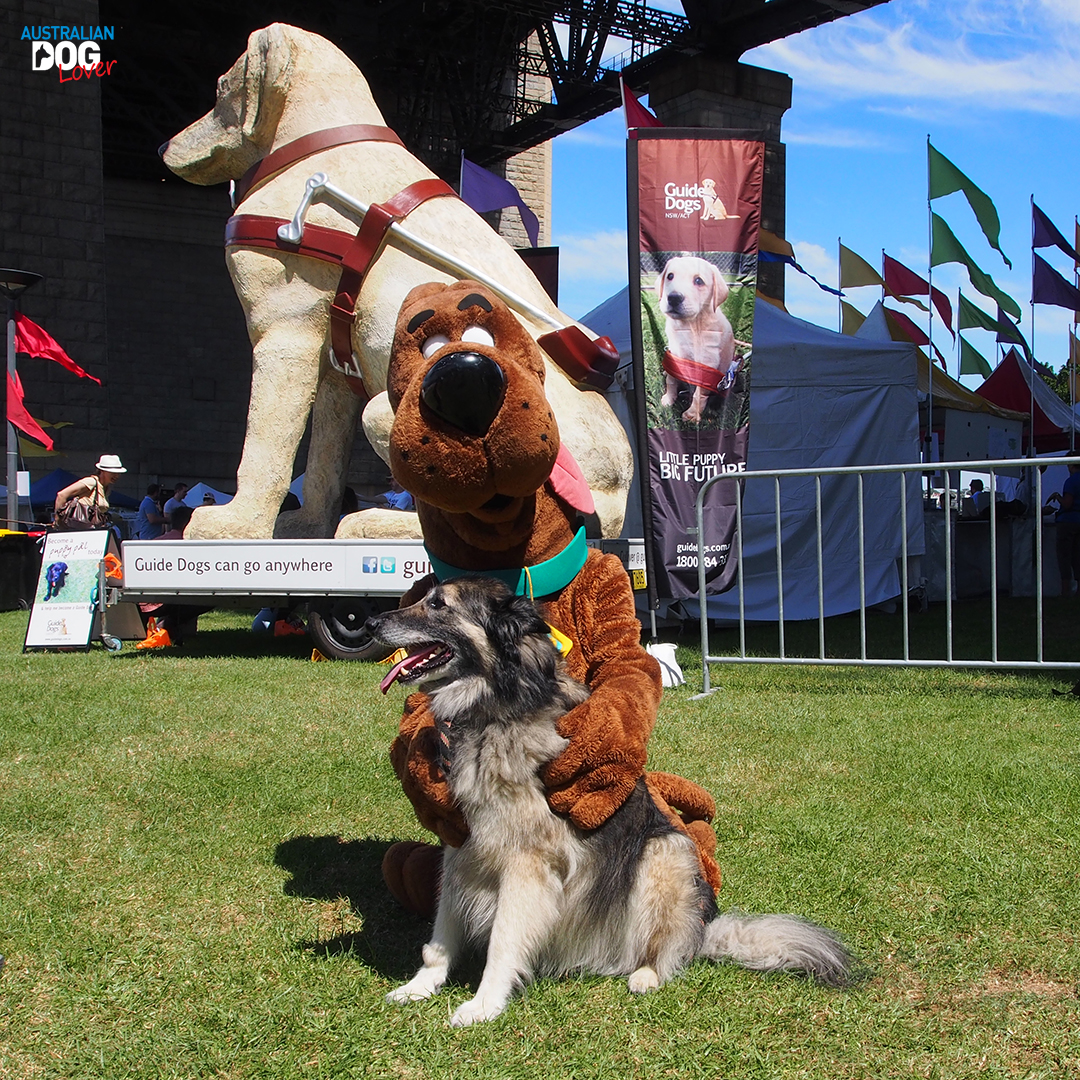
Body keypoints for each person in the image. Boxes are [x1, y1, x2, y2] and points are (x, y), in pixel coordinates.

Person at [54, 454, 126, 527]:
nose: (116, 476)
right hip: (79, 529)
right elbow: (62, 495)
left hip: (91, 531)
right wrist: (58, 521)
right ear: (102, 471)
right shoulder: (91, 482)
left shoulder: (106, 488)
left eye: (118, 473)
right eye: (113, 473)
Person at [1047, 462, 1080, 597]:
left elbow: (1067, 504)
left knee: (1064, 556)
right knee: (1078, 556)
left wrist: (1057, 496)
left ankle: (1065, 590)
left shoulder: (1071, 481)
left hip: (1067, 522)